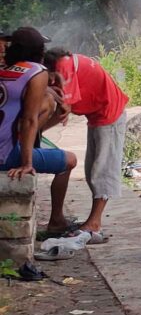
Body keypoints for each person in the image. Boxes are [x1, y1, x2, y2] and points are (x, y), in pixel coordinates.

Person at [43, 47, 129, 243]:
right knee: (91, 171)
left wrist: (36, 131)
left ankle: (94, 223)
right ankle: (86, 220)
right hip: (97, 115)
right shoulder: (66, 63)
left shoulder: (63, 67)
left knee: (103, 170)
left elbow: (63, 111)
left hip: (110, 115)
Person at [2, 29, 79, 235]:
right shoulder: (36, 72)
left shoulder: (5, 69)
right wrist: (26, 164)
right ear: (39, 51)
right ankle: (56, 221)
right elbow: (29, 120)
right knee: (69, 161)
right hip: (5, 155)